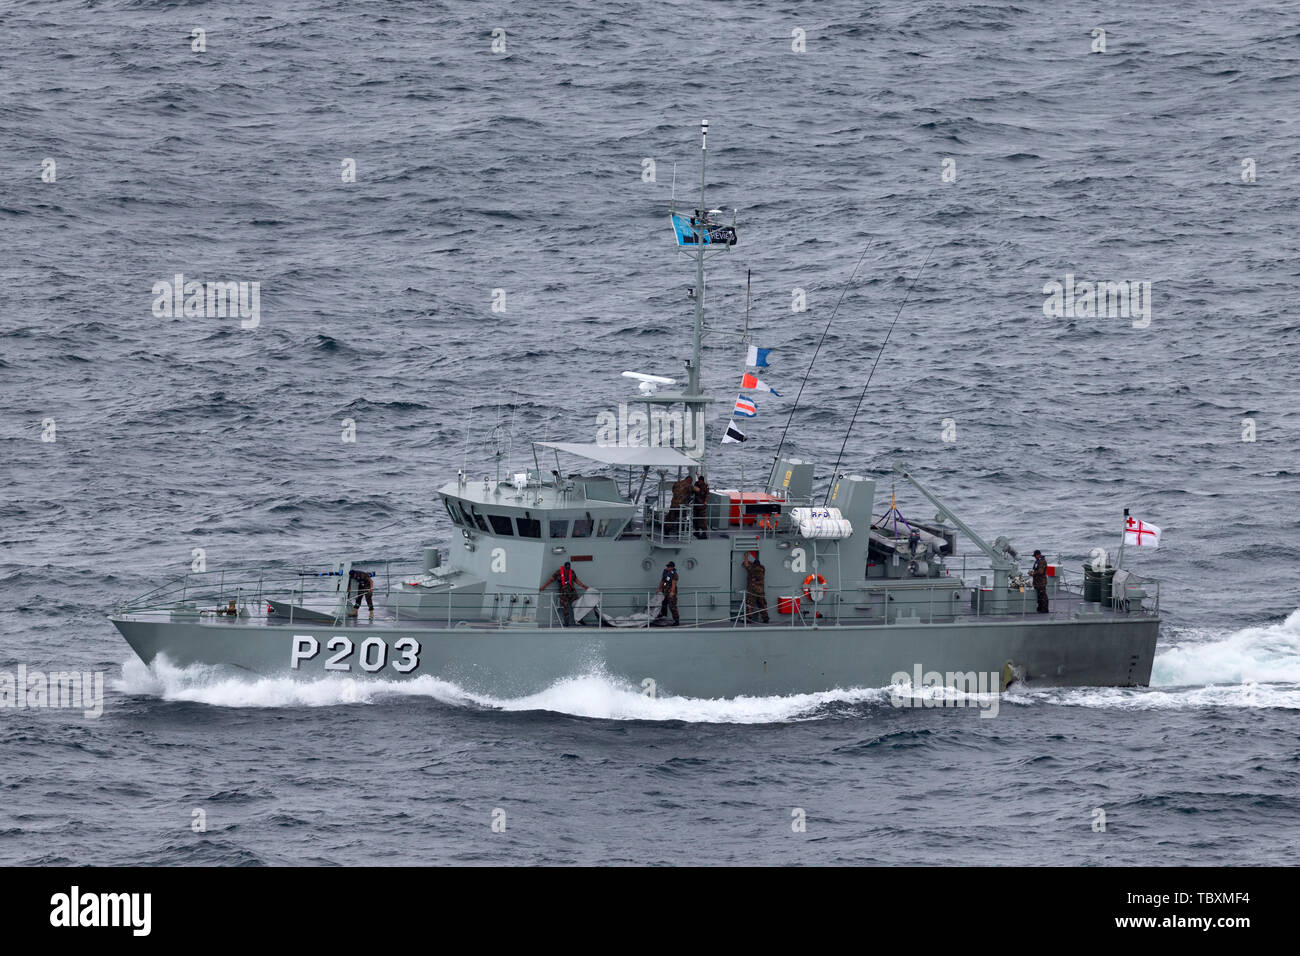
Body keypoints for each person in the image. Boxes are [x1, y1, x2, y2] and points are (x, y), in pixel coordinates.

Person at [541, 561, 588, 626]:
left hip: (572, 592)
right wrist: (544, 586)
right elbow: (551, 580)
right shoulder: (558, 572)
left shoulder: (572, 572)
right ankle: (566, 622)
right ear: (564, 567)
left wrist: (584, 586)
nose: (567, 569)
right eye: (566, 568)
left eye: (568, 568)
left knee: (577, 605)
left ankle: (580, 620)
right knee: (565, 607)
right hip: (563, 593)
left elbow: (577, 580)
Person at [742, 551, 770, 623]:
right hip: (760, 591)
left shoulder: (752, 569)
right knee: (762, 605)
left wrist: (746, 557)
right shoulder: (762, 569)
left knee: (750, 605)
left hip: (753, 590)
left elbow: (746, 564)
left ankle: (748, 619)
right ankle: (766, 619)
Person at [655, 561, 680, 626]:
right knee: (663, 605)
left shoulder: (674, 574)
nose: (667, 567)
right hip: (664, 591)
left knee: (672, 606)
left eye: (669, 566)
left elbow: (673, 583)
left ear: (672, 567)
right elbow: (663, 581)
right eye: (667, 566)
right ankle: (663, 619)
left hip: (670, 592)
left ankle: (676, 621)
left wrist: (672, 592)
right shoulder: (665, 572)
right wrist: (659, 589)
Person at [692, 474, 710, 539]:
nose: (699, 482)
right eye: (699, 481)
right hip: (696, 505)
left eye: (700, 481)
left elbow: (707, 495)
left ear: (702, 481)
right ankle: (697, 531)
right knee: (695, 519)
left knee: (702, 520)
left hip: (702, 506)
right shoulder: (696, 484)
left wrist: (705, 501)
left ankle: (704, 533)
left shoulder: (705, 486)